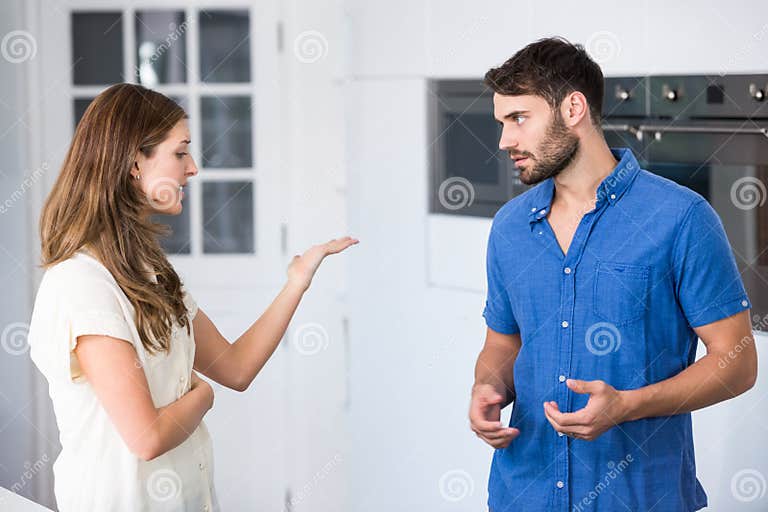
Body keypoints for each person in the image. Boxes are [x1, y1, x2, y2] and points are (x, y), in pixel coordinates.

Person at [27, 83, 358, 511]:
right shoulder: (83, 284)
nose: (194, 168)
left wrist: (296, 281)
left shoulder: (153, 273)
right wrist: (203, 397)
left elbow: (236, 368)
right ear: (134, 163)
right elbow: (146, 438)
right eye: (180, 152)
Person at [469, 37, 757, 512]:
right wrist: (488, 388)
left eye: (518, 119)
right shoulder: (511, 227)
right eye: (501, 123)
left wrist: (629, 405)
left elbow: (738, 361)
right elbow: (503, 342)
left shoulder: (681, 217)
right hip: (523, 493)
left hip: (640, 496)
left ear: (573, 108)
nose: (505, 141)